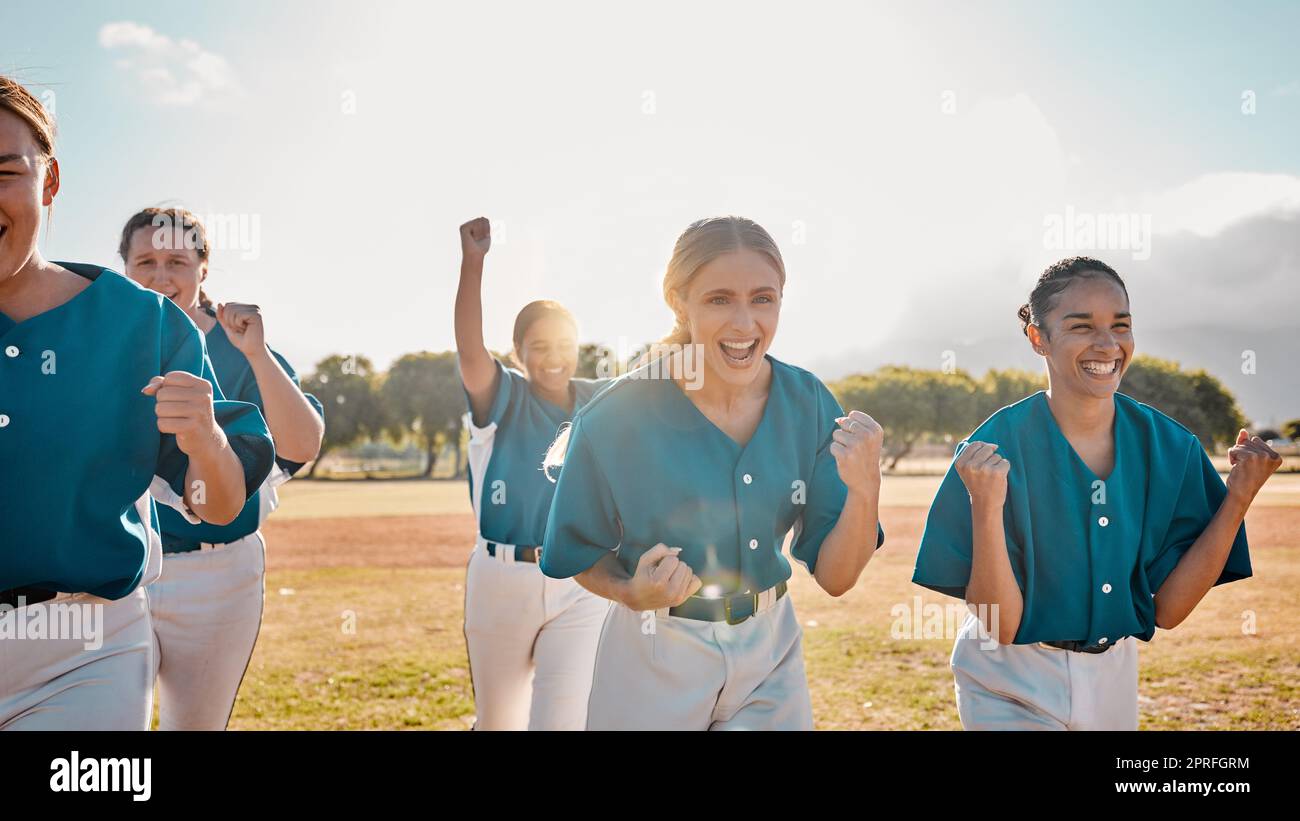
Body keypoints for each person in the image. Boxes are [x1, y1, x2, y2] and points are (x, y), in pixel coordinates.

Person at [0, 76, 273, 730]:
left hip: (81, 657)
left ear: (51, 181)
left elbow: (221, 502)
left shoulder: (144, 325)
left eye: (4, 171)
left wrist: (206, 439)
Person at [539, 215, 886, 730]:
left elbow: (837, 578)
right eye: (720, 299)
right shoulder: (618, 415)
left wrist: (865, 490)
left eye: (762, 299)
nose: (745, 324)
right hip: (656, 653)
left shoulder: (809, 402)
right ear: (680, 302)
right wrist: (632, 591)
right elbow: (577, 551)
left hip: (771, 653)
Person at [913, 256, 1281, 730]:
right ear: (1038, 338)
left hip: (1114, 674)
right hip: (1006, 679)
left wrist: (1238, 499)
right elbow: (1001, 626)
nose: (1107, 344)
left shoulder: (1170, 447)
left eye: (1120, 325)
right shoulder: (993, 450)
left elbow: (1167, 611)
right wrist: (986, 507)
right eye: (1081, 326)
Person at [121, 207, 325, 730]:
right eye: (145, 260)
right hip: (125, 570)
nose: (161, 275)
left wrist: (257, 355)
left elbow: (302, 444)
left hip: (220, 571)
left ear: (203, 270)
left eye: (177, 261)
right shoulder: (113, 343)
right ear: (124, 267)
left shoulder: (238, 345)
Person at [454, 216, 612, 730]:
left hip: (580, 581)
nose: (552, 357)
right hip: (502, 578)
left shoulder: (597, 400)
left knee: (562, 722)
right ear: (518, 353)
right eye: (537, 346)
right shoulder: (502, 395)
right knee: (499, 722)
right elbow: (469, 349)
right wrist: (473, 262)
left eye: (562, 344)